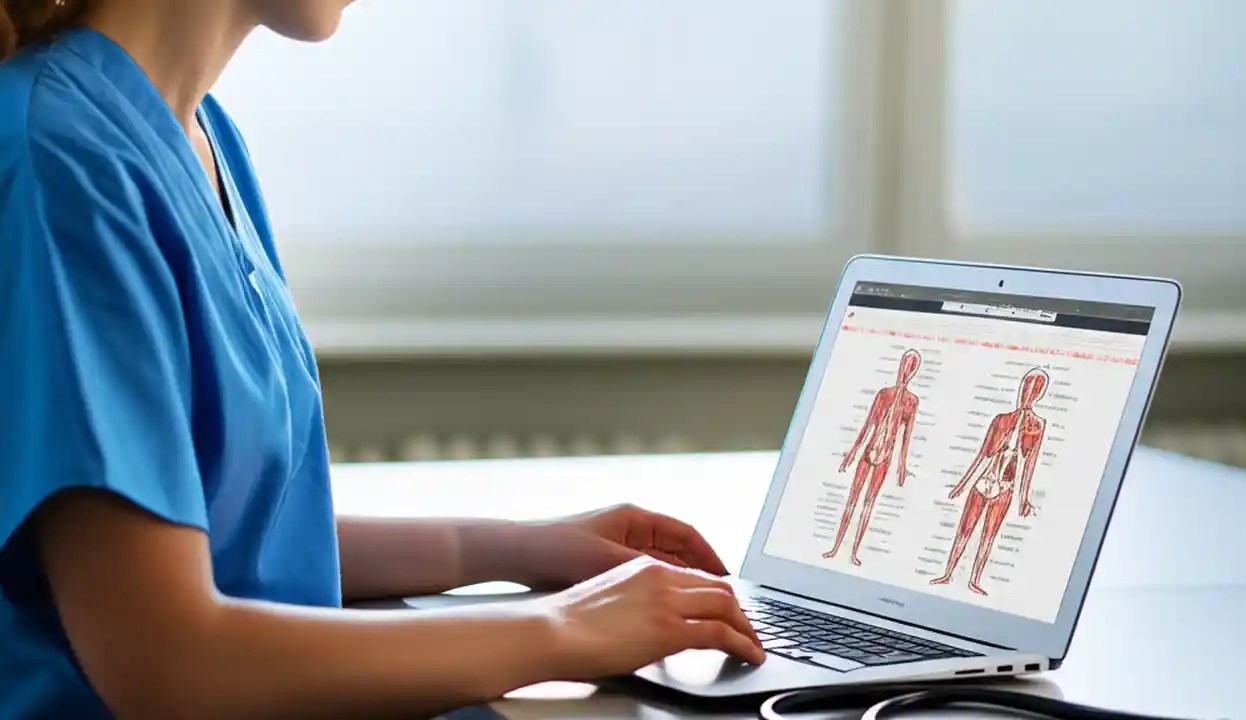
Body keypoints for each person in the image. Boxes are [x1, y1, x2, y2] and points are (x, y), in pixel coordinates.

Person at [0, 1, 764, 717]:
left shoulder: (197, 135)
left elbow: (241, 538)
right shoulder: (61, 163)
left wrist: (520, 547)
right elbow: (168, 663)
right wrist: (564, 628)